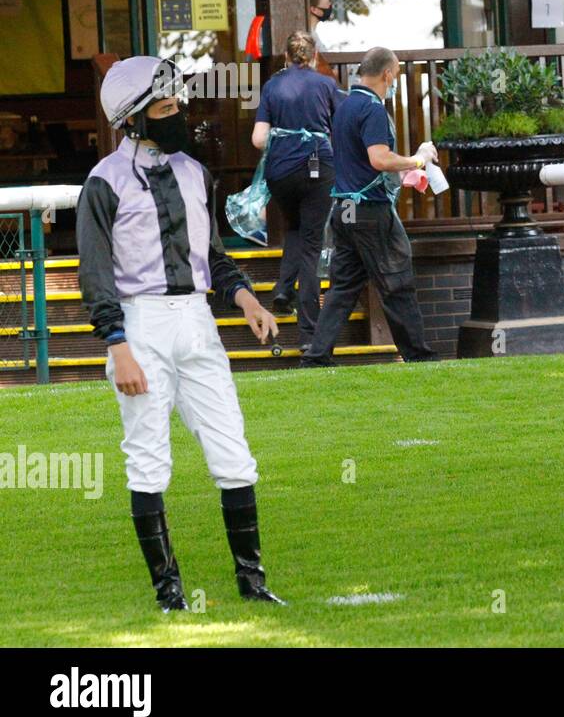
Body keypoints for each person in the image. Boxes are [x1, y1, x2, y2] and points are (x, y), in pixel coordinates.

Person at [77, 55, 285, 612]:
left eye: (177, 105)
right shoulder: (104, 182)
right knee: (148, 459)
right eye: (167, 108)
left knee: (234, 455)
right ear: (135, 117)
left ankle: (253, 583)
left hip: (198, 323)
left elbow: (213, 258)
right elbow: (94, 275)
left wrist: (246, 300)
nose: (179, 116)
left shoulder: (195, 173)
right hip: (139, 326)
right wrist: (117, 347)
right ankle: (169, 594)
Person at [301, 47, 438, 367]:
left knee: (342, 288)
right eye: (395, 75)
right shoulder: (373, 109)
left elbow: (362, 161)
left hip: (344, 210)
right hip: (370, 212)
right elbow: (379, 159)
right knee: (397, 281)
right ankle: (419, 355)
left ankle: (316, 356)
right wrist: (417, 159)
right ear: (387, 74)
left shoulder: (345, 105)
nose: (394, 82)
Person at [253, 31, 345, 351]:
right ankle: (309, 335)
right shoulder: (325, 84)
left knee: (295, 228)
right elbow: (343, 125)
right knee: (311, 245)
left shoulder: (272, 86)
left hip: (280, 172)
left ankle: (282, 289)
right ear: (315, 55)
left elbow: (258, 139)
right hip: (318, 169)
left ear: (286, 56)